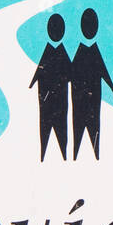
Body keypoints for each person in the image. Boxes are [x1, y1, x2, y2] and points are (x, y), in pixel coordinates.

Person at [70, 8, 113, 159]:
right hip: (84, 102)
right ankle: (80, 155)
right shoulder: (88, 52)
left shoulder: (84, 52)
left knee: (90, 132)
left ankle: (90, 155)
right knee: (83, 133)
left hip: (88, 102)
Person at [29, 14, 71, 161]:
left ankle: (60, 155)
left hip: (54, 100)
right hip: (52, 100)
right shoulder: (54, 53)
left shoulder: (57, 53)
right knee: (48, 130)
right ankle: (44, 155)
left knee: (57, 130)